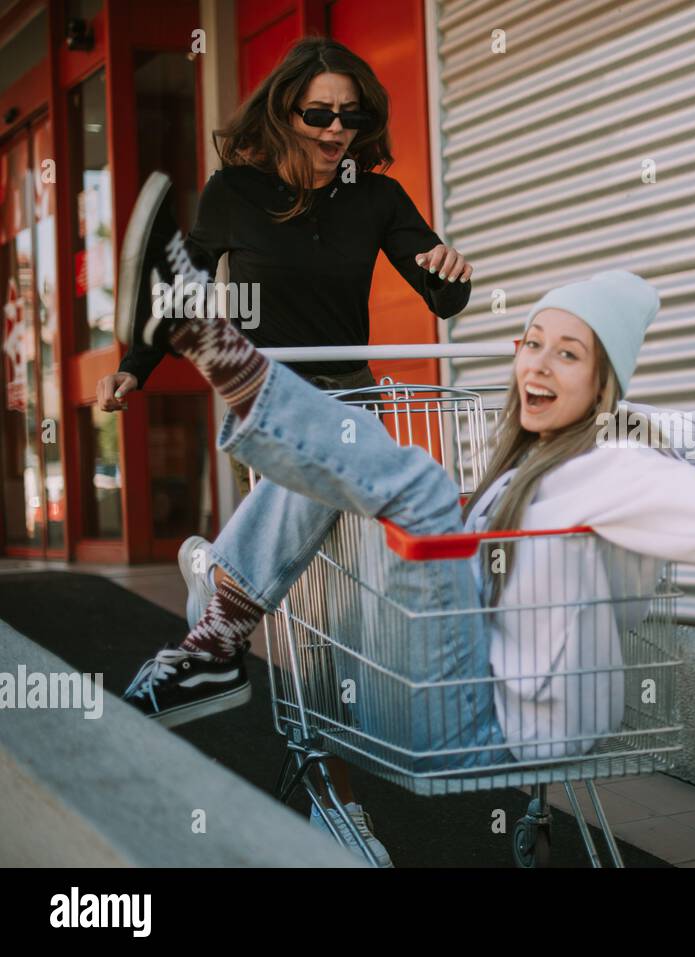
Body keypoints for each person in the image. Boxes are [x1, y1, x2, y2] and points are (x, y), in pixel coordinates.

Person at [114, 235, 695, 845]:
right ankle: (220, 613)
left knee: (413, 486)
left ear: (601, 383)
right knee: (351, 459)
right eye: (531, 342)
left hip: (492, 721)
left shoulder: (609, 465)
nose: (538, 365)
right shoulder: (527, 464)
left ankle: (216, 368)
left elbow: (688, 490)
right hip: (463, 677)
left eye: (567, 354)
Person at [101, 37, 476, 863]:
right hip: (276, 408)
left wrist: (453, 269)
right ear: (284, 111)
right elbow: (179, 283)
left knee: (333, 624)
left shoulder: (375, 198)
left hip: (349, 401)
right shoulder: (236, 193)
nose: (337, 128)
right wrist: (133, 366)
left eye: (352, 115)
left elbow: (442, 291)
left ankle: (221, 625)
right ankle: (322, 779)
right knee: (316, 622)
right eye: (319, 114)